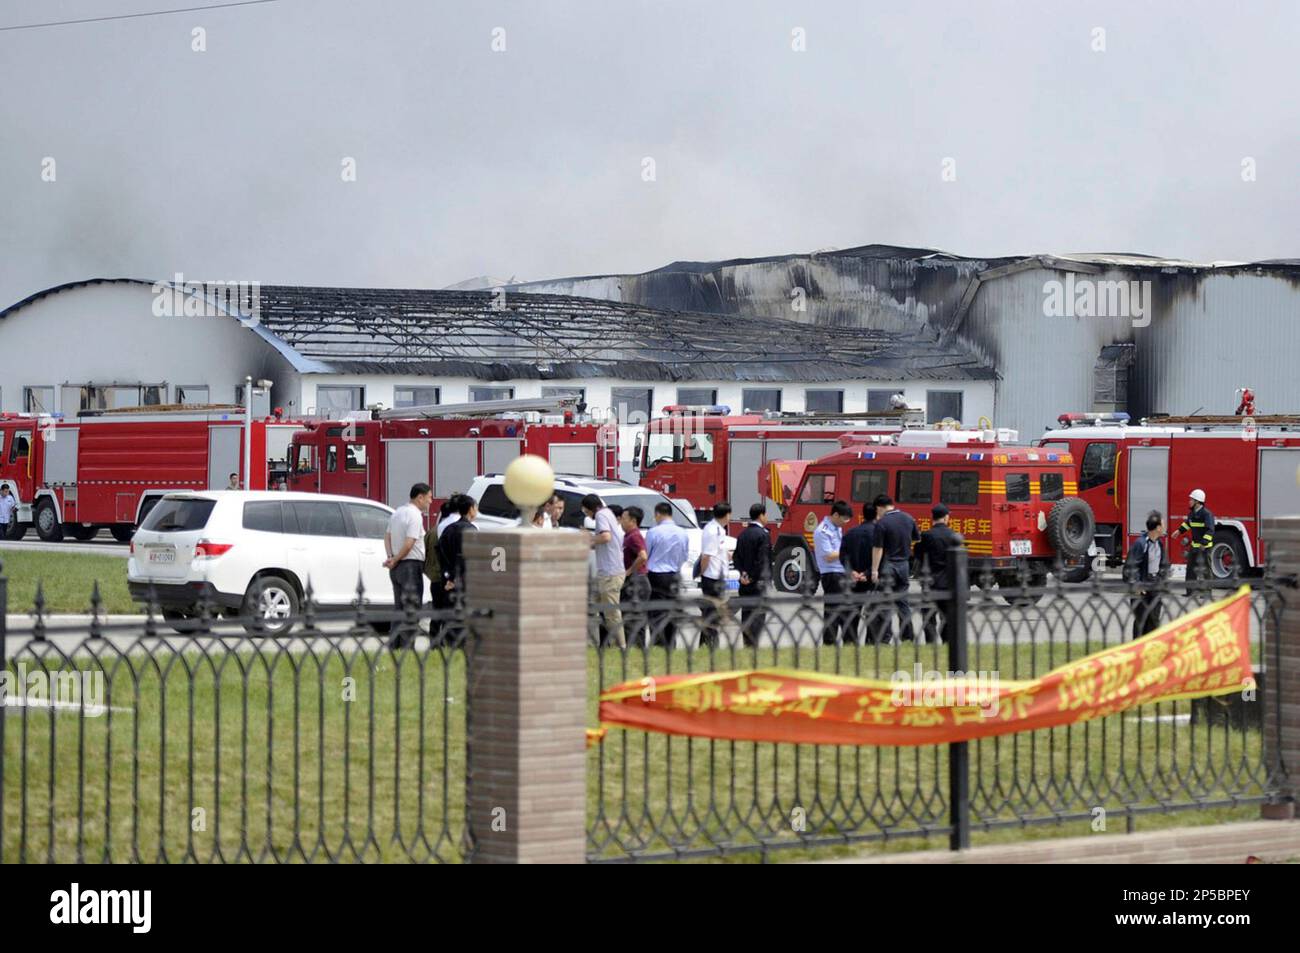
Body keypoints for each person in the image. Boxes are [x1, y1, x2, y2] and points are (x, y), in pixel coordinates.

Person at [384, 482, 433, 648]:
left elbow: (387, 537)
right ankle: (407, 648)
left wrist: (391, 557)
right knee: (411, 608)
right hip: (410, 566)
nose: (430, 502)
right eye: (429, 497)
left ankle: (394, 646)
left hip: (397, 568)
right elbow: (410, 542)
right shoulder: (415, 515)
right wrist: (396, 558)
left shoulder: (397, 512)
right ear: (420, 497)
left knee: (399, 608)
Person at [913, 503, 965, 645]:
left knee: (928, 615)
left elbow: (918, 553)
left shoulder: (927, 535)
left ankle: (931, 642)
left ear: (932, 517)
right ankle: (947, 641)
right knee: (948, 615)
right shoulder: (954, 536)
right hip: (948, 581)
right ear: (946, 517)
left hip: (930, 581)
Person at [871, 494, 920, 642]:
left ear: (879, 507)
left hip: (888, 565)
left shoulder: (882, 523)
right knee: (902, 602)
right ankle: (908, 636)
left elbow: (878, 548)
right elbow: (916, 538)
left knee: (885, 602)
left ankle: (886, 638)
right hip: (904, 565)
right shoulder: (908, 518)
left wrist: (874, 570)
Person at [583, 494, 626, 648]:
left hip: (610, 572)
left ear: (591, 508)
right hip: (611, 570)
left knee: (612, 614)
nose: (587, 515)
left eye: (586, 512)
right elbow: (607, 542)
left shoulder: (601, 515)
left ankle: (621, 647)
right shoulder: (608, 513)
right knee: (597, 608)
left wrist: (589, 539)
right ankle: (601, 644)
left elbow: (606, 537)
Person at [841, 500, 886, 644]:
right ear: (877, 515)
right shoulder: (879, 534)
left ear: (863, 515)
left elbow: (843, 556)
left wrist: (852, 572)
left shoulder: (850, 533)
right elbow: (882, 557)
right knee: (873, 613)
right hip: (872, 579)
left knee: (851, 613)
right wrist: (867, 573)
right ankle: (871, 642)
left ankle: (849, 643)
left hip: (853, 580)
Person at [645, 502, 689, 647]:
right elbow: (684, 555)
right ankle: (671, 643)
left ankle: (658, 643)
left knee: (656, 611)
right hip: (674, 575)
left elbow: (647, 554)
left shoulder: (654, 532)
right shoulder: (682, 532)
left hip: (656, 575)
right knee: (672, 610)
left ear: (658, 514)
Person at [732, 503, 773, 647]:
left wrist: (743, 574)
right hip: (757, 583)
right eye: (766, 514)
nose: (766, 518)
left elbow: (736, 557)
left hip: (744, 582)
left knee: (746, 613)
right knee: (758, 615)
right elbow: (762, 561)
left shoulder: (743, 534)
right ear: (761, 515)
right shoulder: (763, 535)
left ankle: (746, 642)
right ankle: (753, 645)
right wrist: (752, 577)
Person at [1124, 510, 1169, 638]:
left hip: (1155, 587)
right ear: (1158, 527)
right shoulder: (1141, 544)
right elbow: (1130, 567)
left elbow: (1164, 565)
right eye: (1163, 524)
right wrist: (1136, 584)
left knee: (1154, 622)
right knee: (1141, 622)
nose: (1165, 526)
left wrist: (1160, 581)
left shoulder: (1160, 544)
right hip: (1142, 588)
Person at [814, 500, 853, 645]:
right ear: (836, 515)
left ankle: (847, 641)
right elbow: (829, 556)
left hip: (841, 572)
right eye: (844, 519)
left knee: (845, 610)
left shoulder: (837, 528)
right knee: (833, 611)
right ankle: (829, 642)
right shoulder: (823, 531)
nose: (845, 522)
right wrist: (846, 550)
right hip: (832, 574)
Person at [698, 502, 732, 648]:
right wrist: (702, 573)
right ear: (727, 515)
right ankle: (711, 644)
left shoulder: (720, 530)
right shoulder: (712, 531)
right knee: (712, 614)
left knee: (712, 613)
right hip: (711, 578)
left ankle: (706, 643)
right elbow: (706, 556)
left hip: (717, 576)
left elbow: (717, 552)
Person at [1173, 489, 1216, 598]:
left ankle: (1207, 593)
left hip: (1204, 547)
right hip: (1194, 546)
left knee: (1206, 570)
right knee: (1190, 570)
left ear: (1197, 501)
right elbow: (1188, 524)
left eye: (1191, 499)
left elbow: (1210, 530)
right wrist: (1178, 531)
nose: (1189, 501)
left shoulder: (1207, 514)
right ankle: (1190, 592)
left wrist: (1204, 542)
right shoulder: (1192, 513)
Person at [619, 506, 650, 646]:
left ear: (633, 520)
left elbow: (643, 556)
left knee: (634, 618)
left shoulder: (634, 535)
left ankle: (636, 647)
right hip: (634, 581)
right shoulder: (628, 536)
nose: (621, 522)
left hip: (637, 581)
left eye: (624, 519)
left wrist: (629, 571)